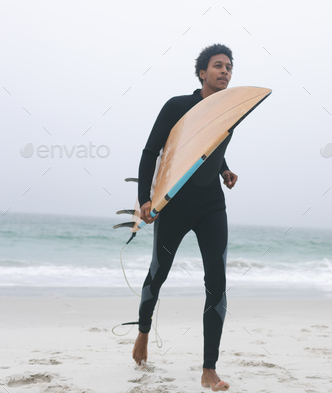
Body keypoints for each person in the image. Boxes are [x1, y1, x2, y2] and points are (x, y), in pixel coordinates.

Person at [132, 43, 238, 391]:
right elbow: (153, 151)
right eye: (218, 66)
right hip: (174, 204)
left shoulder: (229, 112)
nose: (225, 72)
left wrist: (223, 169)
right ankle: (143, 332)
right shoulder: (177, 106)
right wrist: (144, 199)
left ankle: (209, 369)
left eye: (229, 67)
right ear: (202, 73)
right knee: (158, 273)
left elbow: (207, 149)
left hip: (211, 206)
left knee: (217, 283)